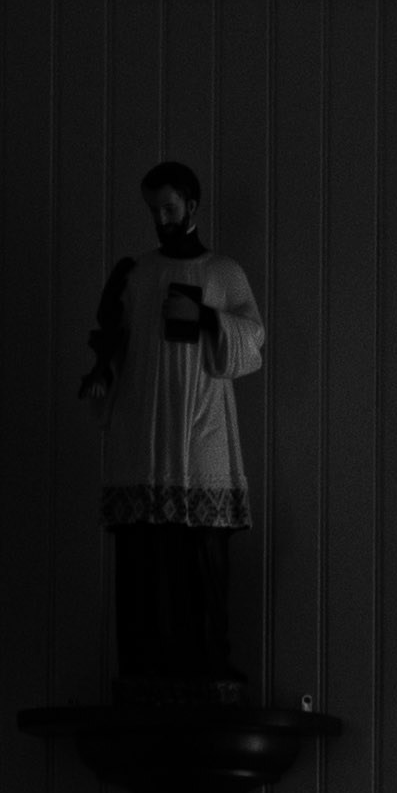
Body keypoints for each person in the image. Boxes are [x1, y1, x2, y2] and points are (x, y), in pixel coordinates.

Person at [77, 158, 263, 695]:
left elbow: (253, 338)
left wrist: (209, 318)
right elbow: (116, 339)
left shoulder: (222, 272)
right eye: (154, 210)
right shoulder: (137, 274)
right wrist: (102, 376)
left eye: (170, 208)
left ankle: (207, 662)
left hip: (202, 423)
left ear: (192, 207)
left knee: (202, 555)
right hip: (144, 425)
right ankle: (143, 664)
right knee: (144, 556)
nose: (161, 218)